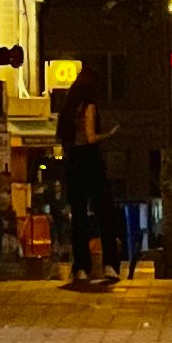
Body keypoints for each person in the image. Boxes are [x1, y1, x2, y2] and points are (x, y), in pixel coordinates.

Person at [54, 75, 116, 291]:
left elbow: (64, 140)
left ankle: (81, 267)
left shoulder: (68, 110)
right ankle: (110, 265)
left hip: (73, 164)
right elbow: (90, 137)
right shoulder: (89, 106)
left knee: (78, 217)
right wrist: (107, 135)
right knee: (105, 213)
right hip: (90, 161)